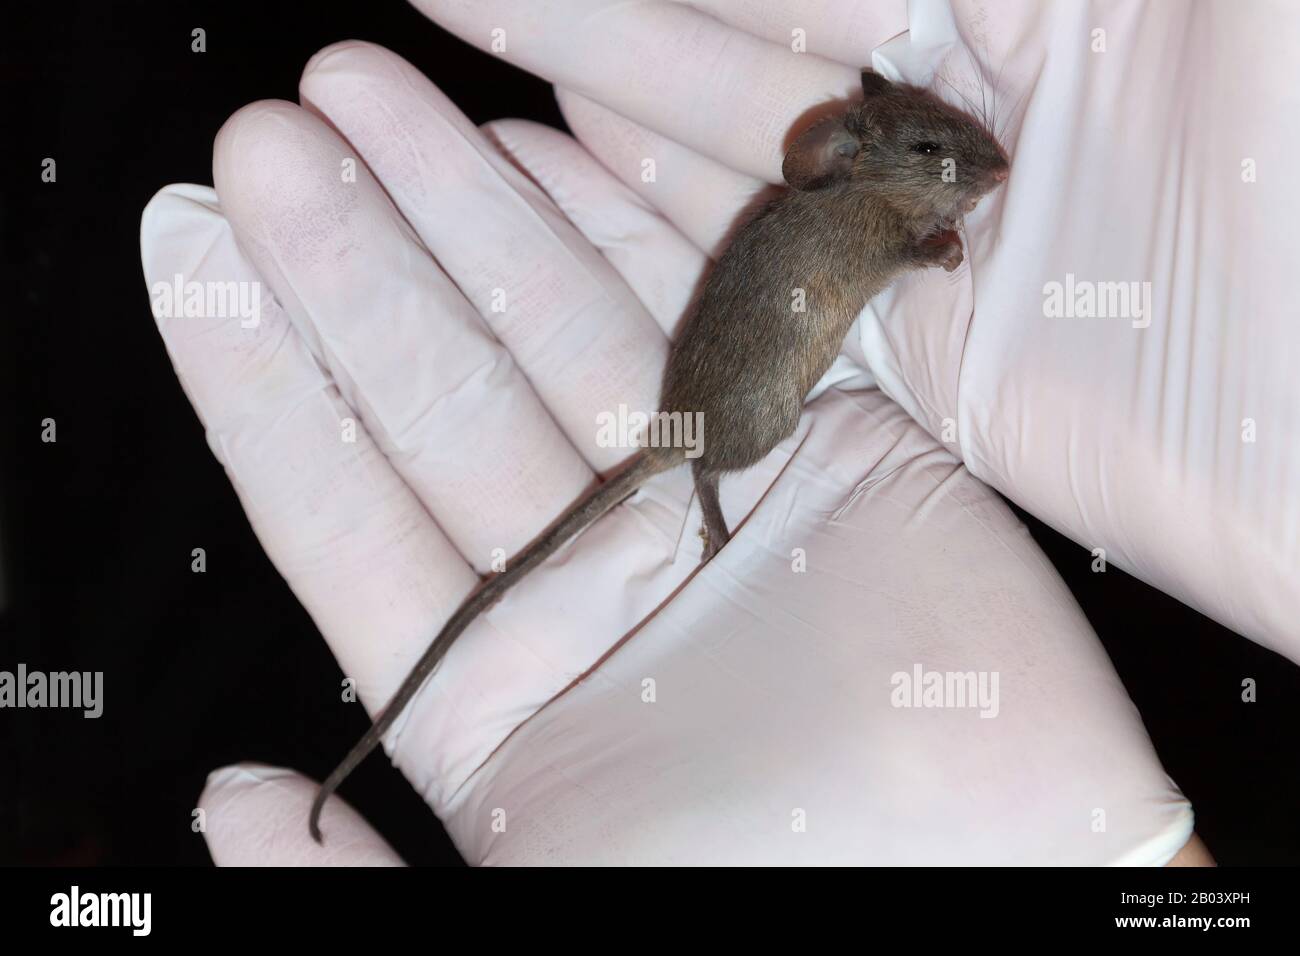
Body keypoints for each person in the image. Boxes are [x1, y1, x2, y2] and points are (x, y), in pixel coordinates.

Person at [144, 0, 1294, 865]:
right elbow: (882, 251)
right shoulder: (855, 217)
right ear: (870, 166)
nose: (972, 175)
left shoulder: (849, 189)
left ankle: (702, 497)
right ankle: (704, 499)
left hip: (736, 383)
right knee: (732, 429)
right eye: (940, 165)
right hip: (740, 404)